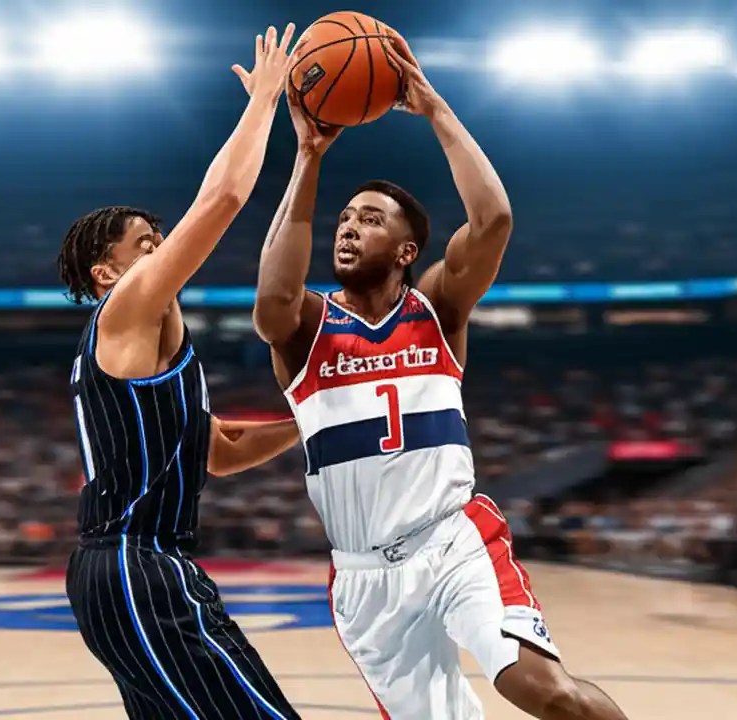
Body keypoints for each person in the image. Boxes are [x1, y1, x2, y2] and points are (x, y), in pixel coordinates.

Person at [253, 34, 628, 720]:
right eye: (344, 218)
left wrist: (434, 110)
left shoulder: (436, 306)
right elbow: (270, 299)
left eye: (370, 220)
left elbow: (494, 219)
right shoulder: (306, 327)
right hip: (364, 577)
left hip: (453, 539)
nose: (348, 228)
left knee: (546, 692)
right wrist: (307, 158)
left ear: (406, 250)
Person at [56, 24, 305, 719]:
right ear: (107, 271)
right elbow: (221, 201)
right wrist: (264, 101)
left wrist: (312, 420)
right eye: (146, 243)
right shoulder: (126, 304)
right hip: (139, 567)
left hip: (128, 571)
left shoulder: (153, 345)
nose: (163, 247)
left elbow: (217, 451)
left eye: (161, 237)